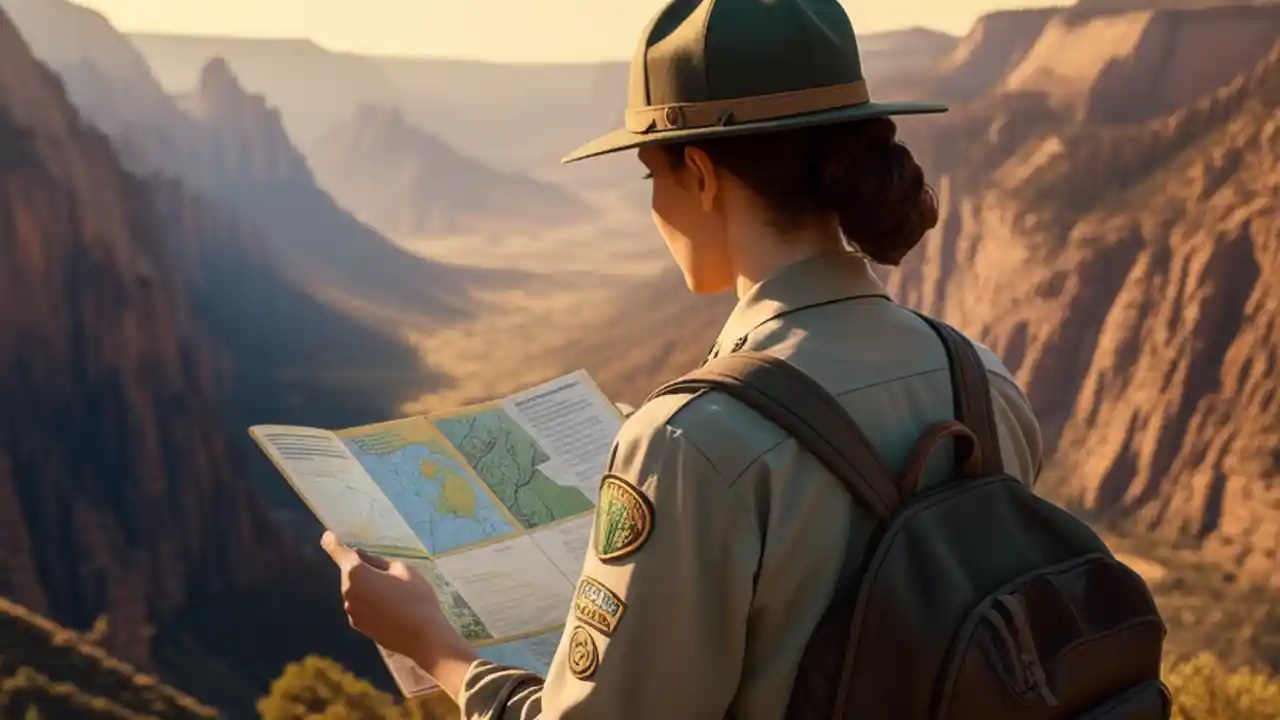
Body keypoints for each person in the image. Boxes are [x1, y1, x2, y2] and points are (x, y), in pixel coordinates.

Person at [320, 1, 1043, 717]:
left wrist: (432, 644)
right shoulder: (981, 376)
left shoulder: (689, 442)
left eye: (650, 176)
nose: (655, 205)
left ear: (698, 172)